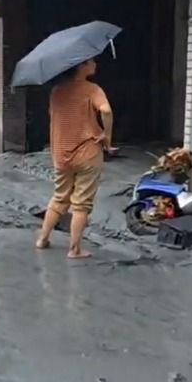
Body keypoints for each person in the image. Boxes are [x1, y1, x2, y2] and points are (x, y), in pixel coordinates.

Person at [34, 57, 113, 259]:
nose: (95, 64)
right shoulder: (92, 89)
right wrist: (107, 135)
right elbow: (106, 110)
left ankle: (42, 239)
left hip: (61, 153)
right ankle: (74, 249)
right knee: (81, 203)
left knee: (60, 197)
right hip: (87, 152)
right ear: (80, 66)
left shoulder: (56, 91)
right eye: (91, 61)